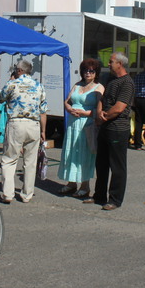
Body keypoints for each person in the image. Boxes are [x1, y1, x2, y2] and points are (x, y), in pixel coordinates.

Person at [88, 52, 134, 211]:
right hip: (105, 127)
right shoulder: (110, 79)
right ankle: (99, 195)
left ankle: (115, 199)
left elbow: (120, 107)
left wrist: (104, 117)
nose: (108, 64)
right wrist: (100, 113)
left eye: (111, 61)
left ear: (120, 64)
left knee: (117, 166)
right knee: (101, 164)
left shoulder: (127, 82)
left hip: (118, 129)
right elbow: (102, 98)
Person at [0, 59, 47, 203]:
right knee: (30, 161)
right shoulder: (39, 86)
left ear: (19, 71)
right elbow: (43, 110)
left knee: (9, 159)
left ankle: (8, 193)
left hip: (16, 123)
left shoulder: (12, 84)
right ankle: (27, 194)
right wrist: (43, 131)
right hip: (34, 124)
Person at [58, 58, 103, 198]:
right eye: (85, 70)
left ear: (96, 73)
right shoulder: (77, 85)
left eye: (91, 71)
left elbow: (100, 110)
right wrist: (68, 108)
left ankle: (85, 186)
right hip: (73, 124)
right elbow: (67, 101)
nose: (88, 73)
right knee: (71, 153)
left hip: (86, 125)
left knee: (84, 154)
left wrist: (86, 113)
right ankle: (71, 183)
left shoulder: (99, 87)